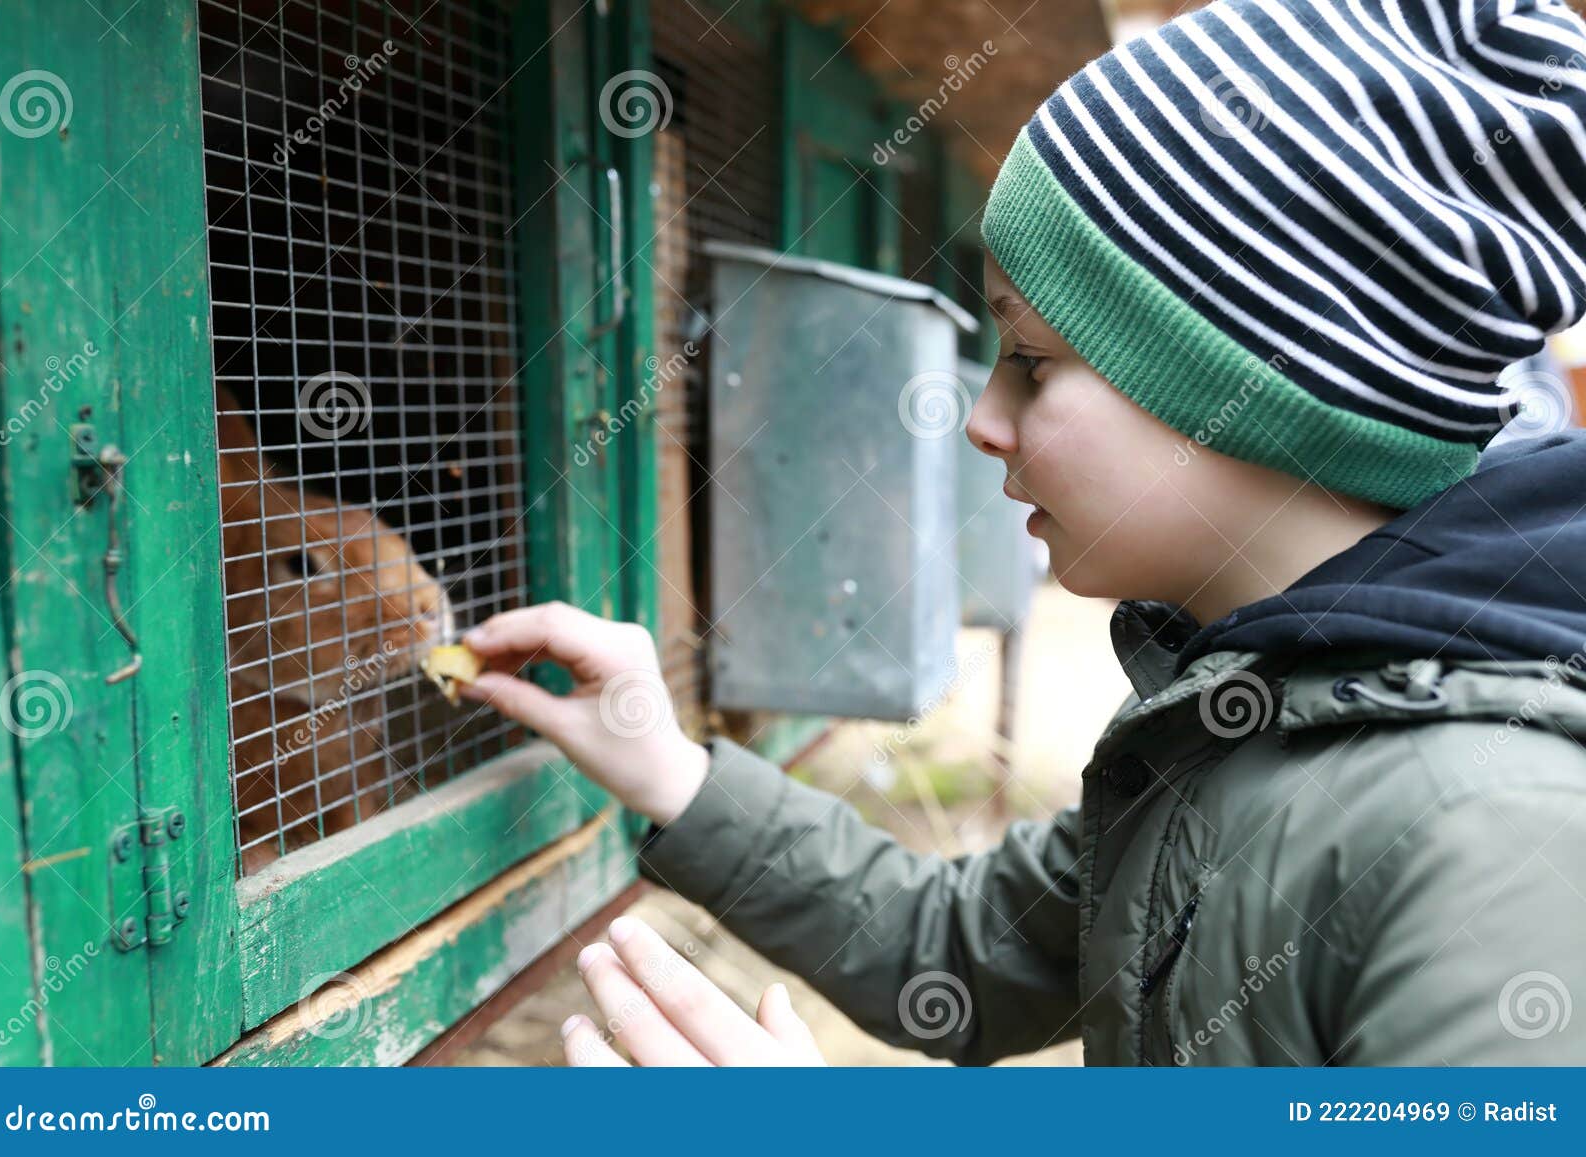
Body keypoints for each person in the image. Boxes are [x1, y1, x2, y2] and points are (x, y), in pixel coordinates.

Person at [462, 0, 1586, 1065]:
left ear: (1252, 384)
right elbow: (958, 950)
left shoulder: (1497, 837)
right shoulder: (1245, 705)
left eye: (1034, 362)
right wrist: (667, 766)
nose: (981, 419)